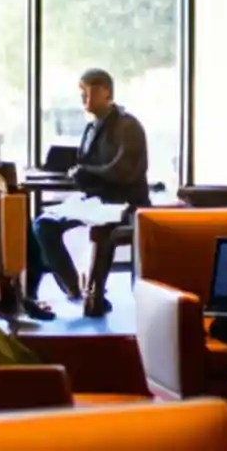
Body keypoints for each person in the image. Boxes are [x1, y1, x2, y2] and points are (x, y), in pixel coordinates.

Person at [29, 69, 149, 317]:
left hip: (124, 204)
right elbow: (85, 164)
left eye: (89, 90)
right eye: (81, 91)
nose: (83, 96)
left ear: (106, 92)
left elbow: (124, 171)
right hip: (95, 201)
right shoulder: (91, 128)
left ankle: (94, 295)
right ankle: (74, 286)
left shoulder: (128, 126)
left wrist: (86, 171)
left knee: (102, 229)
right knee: (43, 225)